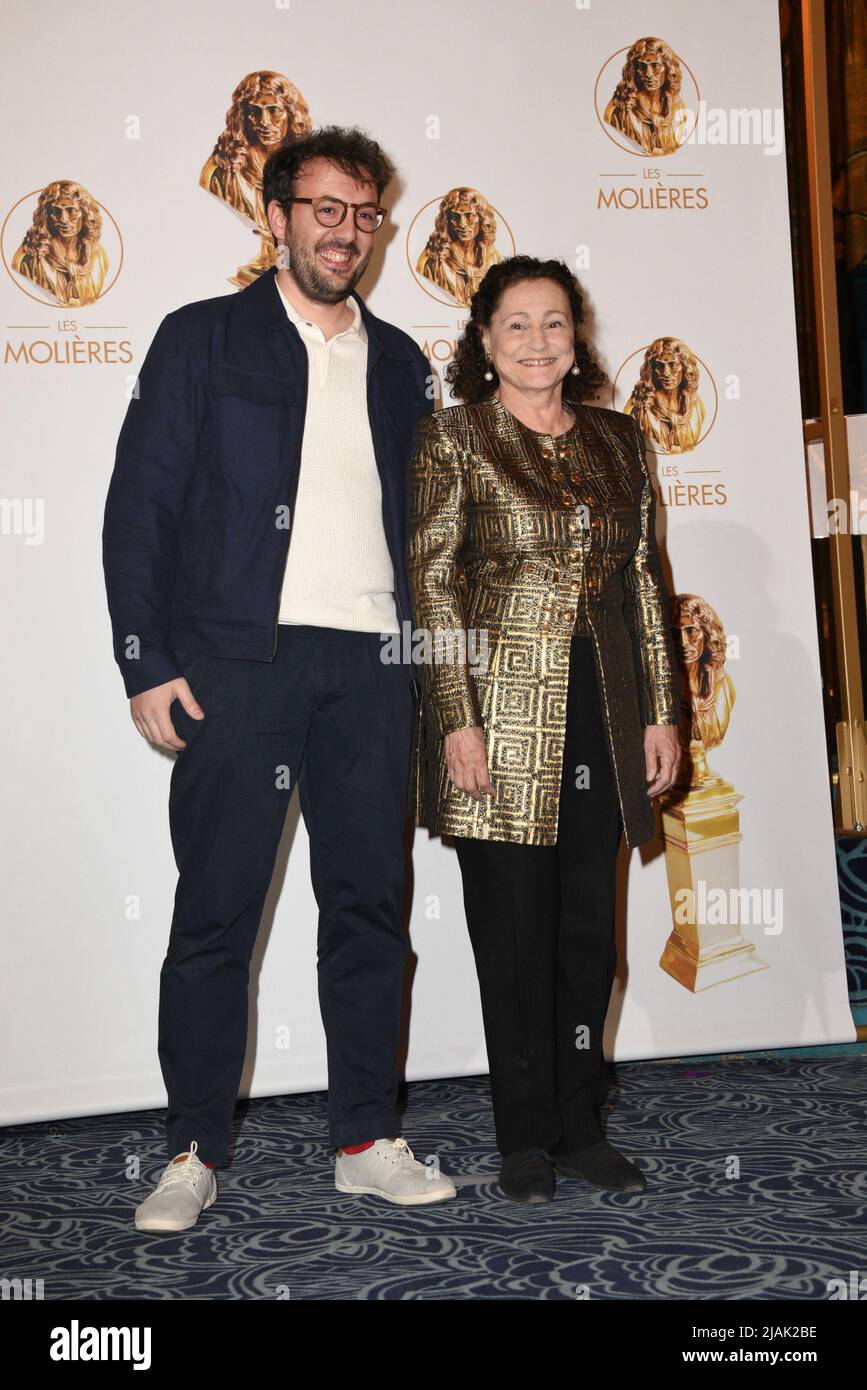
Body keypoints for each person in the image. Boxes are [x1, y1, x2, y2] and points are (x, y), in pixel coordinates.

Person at [102, 126, 456, 1232]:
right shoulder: (202, 338)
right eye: (325, 208)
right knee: (215, 917)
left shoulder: (402, 361)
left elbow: (433, 540)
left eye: (364, 213)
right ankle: (192, 1148)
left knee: (368, 910)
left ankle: (365, 1136)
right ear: (275, 216)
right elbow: (140, 506)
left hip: (371, 668)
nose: (345, 231)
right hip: (237, 665)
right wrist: (146, 659)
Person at [406, 255, 681, 1203]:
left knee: (585, 938)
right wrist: (454, 718)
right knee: (512, 934)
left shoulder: (619, 439)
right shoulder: (453, 440)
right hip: (498, 721)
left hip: (602, 717)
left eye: (553, 322)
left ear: (577, 336)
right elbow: (434, 587)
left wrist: (660, 713)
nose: (536, 341)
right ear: (484, 342)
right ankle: (523, 1136)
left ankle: (579, 1124)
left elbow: (645, 580)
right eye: (514, 324)